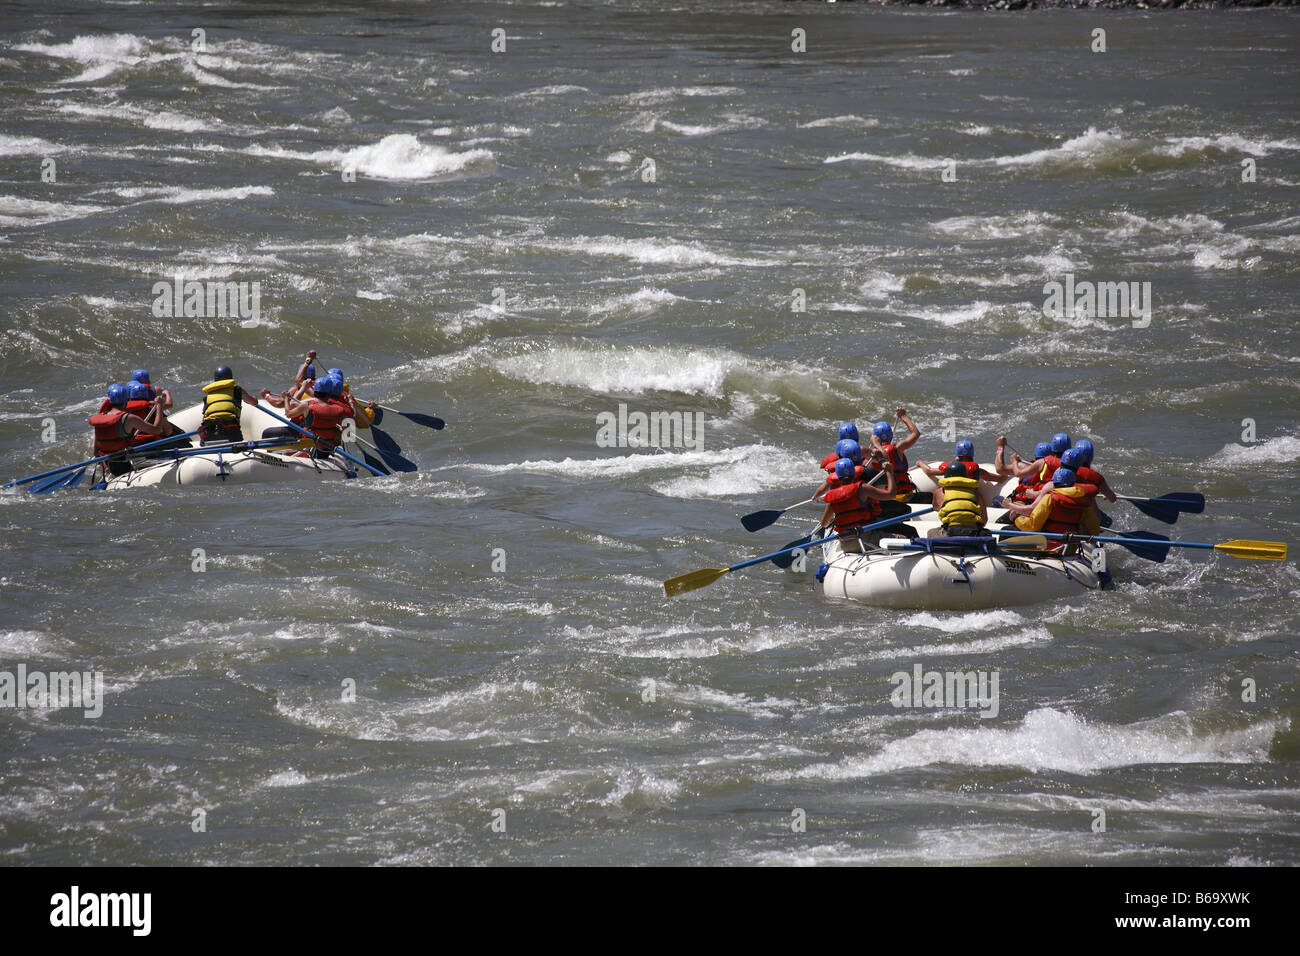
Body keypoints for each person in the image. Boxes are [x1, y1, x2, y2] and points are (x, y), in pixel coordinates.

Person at [1004, 467, 1100, 551]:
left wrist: (1017, 518)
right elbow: (1094, 530)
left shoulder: (1050, 498)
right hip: (1071, 547)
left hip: (1049, 545)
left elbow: (1032, 526)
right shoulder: (1082, 502)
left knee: (1006, 531)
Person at [88, 384, 172, 476]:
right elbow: (157, 430)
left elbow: (96, 452)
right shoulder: (129, 418)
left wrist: (106, 467)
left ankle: (108, 472)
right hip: (126, 465)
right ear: (126, 400)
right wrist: (159, 405)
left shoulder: (101, 419)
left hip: (111, 465)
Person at [819, 455, 898, 552]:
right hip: (866, 539)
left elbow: (824, 523)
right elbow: (891, 494)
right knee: (906, 534)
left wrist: (835, 518)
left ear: (838, 476)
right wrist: (889, 472)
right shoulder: (862, 488)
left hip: (846, 545)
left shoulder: (831, 497)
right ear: (854, 473)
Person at [278, 374, 351, 454]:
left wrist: (285, 399)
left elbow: (288, 414)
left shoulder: (307, 405)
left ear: (314, 390)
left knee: (267, 432)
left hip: (310, 444)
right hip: (328, 445)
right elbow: (347, 433)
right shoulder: (340, 409)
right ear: (330, 392)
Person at [868, 407, 920, 500]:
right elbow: (916, 434)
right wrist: (903, 416)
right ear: (891, 435)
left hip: (888, 497)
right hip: (906, 495)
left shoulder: (871, 456)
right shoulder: (898, 448)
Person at [201, 365, 261, 445]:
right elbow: (254, 402)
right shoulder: (237, 390)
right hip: (231, 432)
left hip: (209, 432)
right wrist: (254, 398)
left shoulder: (208, 396)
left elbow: (204, 417)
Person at [929, 459, 989, 537]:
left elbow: (936, 508)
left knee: (931, 532)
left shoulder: (939, 492)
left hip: (950, 532)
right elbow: (984, 520)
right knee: (986, 532)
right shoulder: (976, 493)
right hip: (973, 532)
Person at [919, 440, 1000, 484]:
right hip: (970, 497)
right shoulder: (978, 471)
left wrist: (920, 463)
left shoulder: (949, 467)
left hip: (951, 497)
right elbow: (996, 478)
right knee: (980, 498)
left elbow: (929, 471)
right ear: (972, 454)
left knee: (938, 492)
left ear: (957, 456)